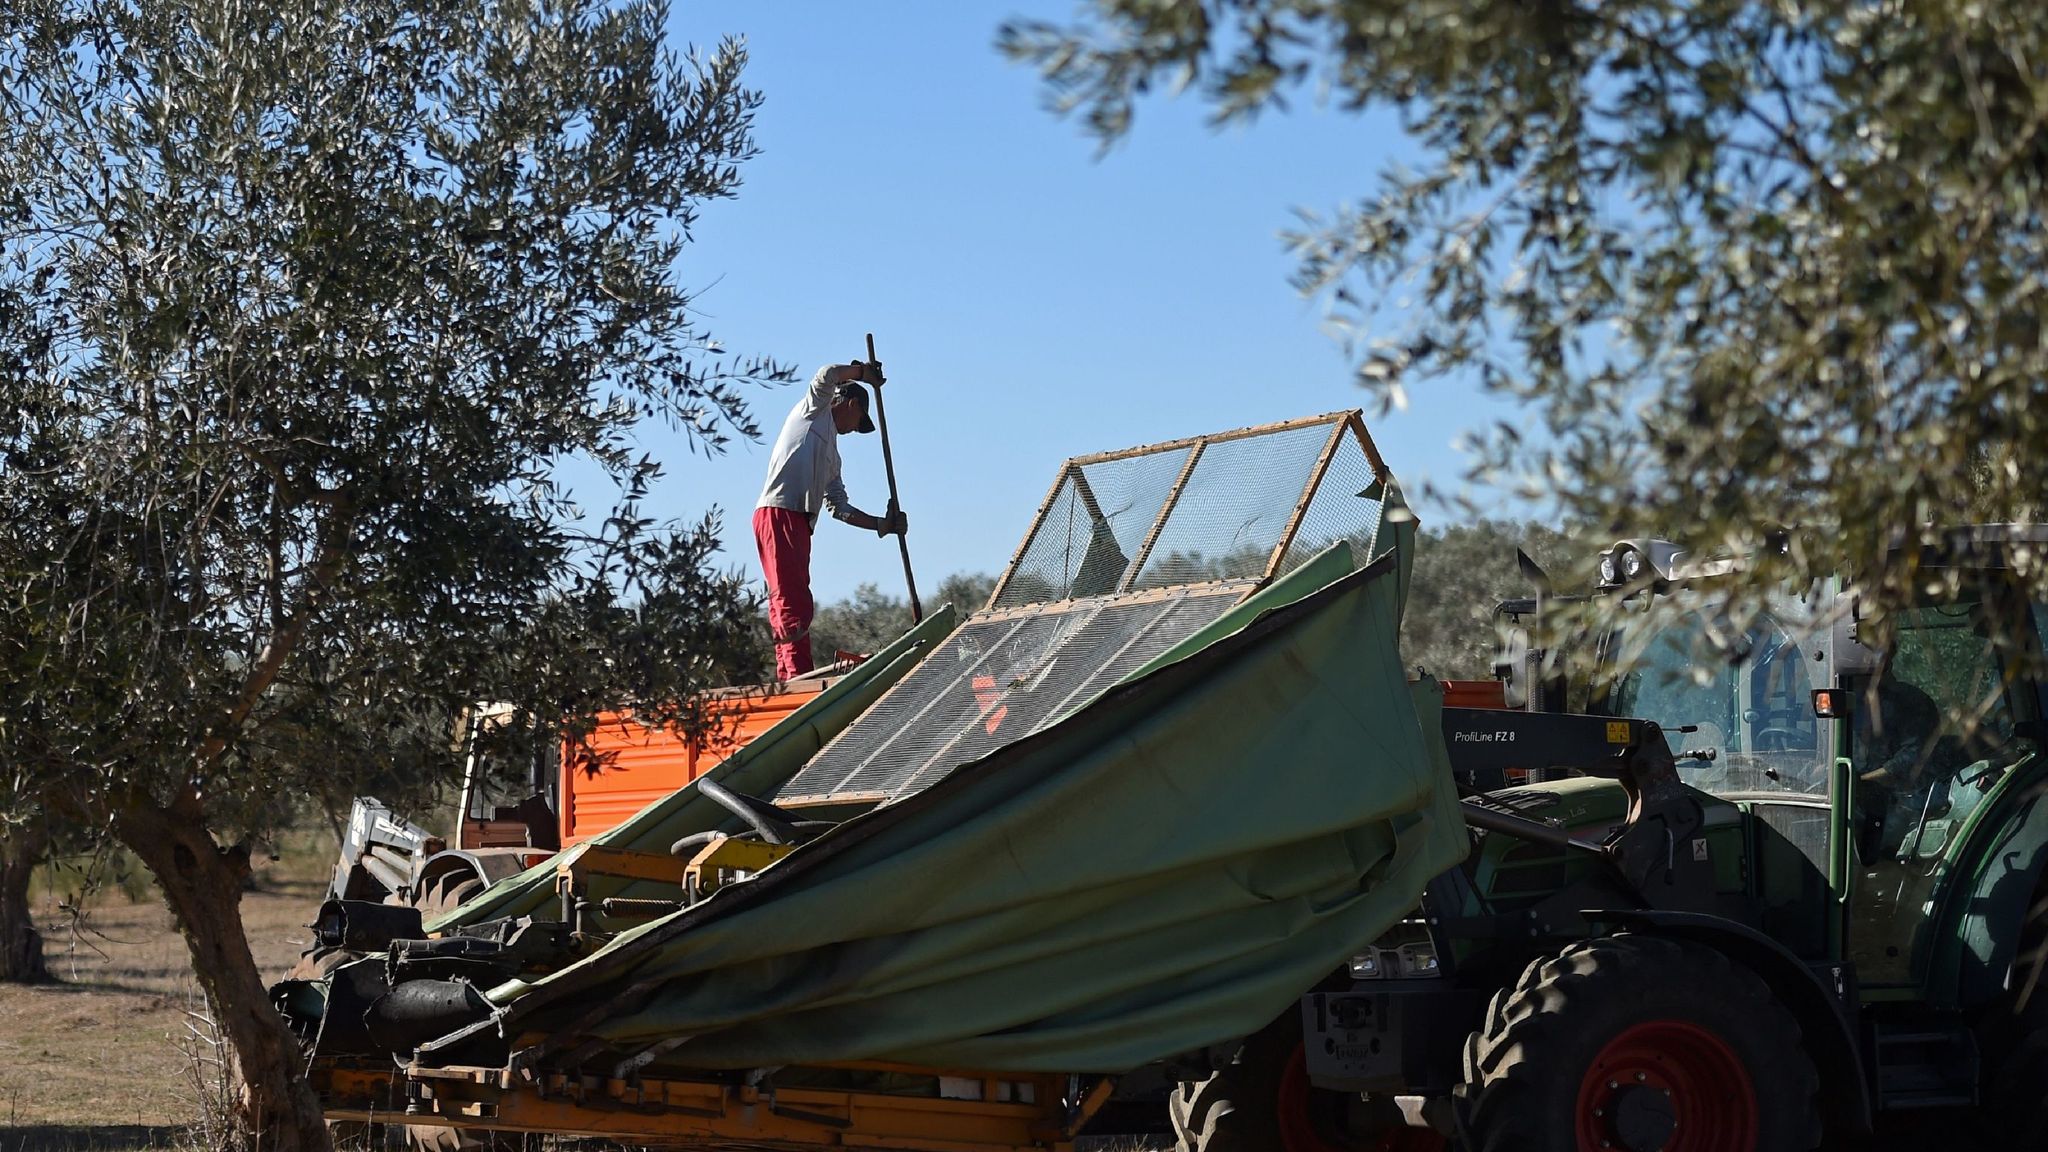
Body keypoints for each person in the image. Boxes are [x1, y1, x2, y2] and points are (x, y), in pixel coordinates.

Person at [754, 360, 908, 680]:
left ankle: (789, 676)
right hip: (780, 513)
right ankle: (797, 678)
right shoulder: (814, 410)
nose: (855, 429)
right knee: (791, 600)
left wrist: (883, 524)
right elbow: (826, 374)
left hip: (798, 522)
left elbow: (840, 508)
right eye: (859, 421)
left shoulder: (833, 458)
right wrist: (863, 373)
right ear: (851, 404)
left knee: (793, 598)